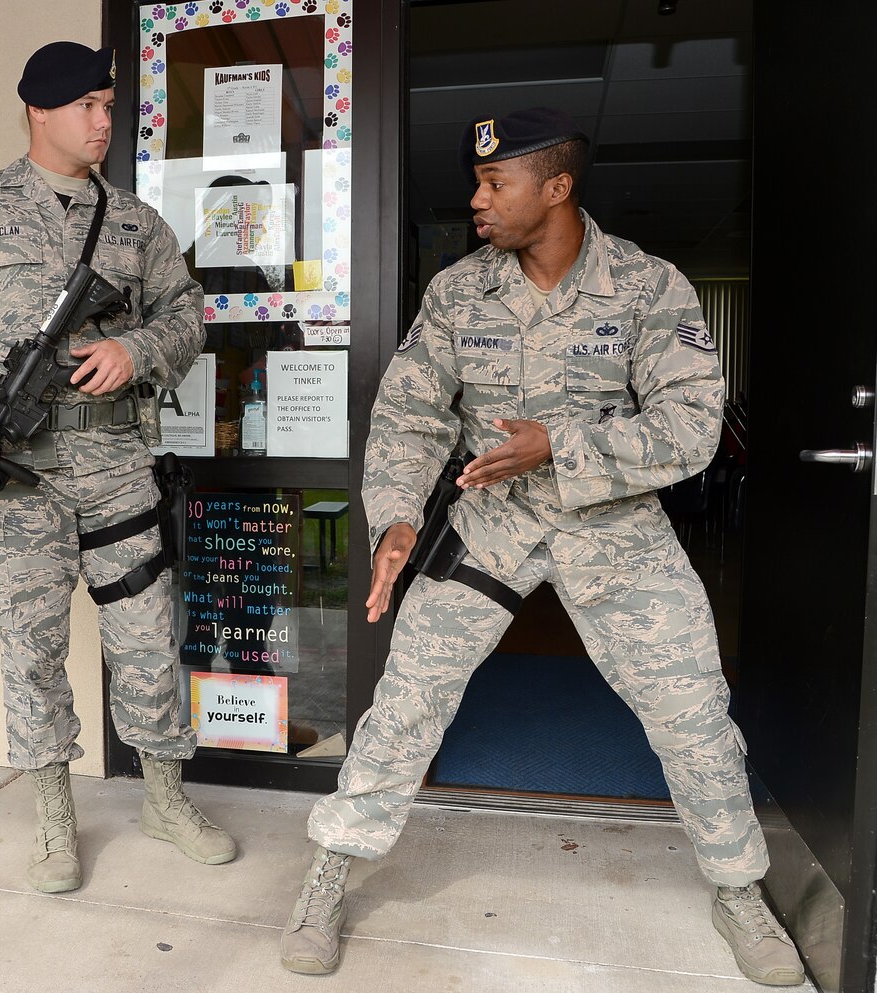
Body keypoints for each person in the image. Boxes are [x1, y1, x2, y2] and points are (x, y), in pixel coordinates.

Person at [278, 107, 804, 987]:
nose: (477, 200)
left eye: (495, 183)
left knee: (694, 714)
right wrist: (398, 518)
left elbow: (691, 428)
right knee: (408, 695)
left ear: (557, 187)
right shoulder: (458, 292)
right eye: (477, 184)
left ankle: (738, 887)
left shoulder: (647, 285)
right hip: (491, 523)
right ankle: (329, 874)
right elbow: (409, 413)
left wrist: (560, 443)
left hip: (617, 531)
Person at [0, 41, 236, 894]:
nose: (102, 122)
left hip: (118, 465)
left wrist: (135, 347)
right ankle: (55, 818)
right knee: (31, 651)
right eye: (87, 106)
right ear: (38, 111)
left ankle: (164, 797)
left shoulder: (134, 222)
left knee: (150, 641)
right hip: (19, 478)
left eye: (110, 106)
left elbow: (188, 310)